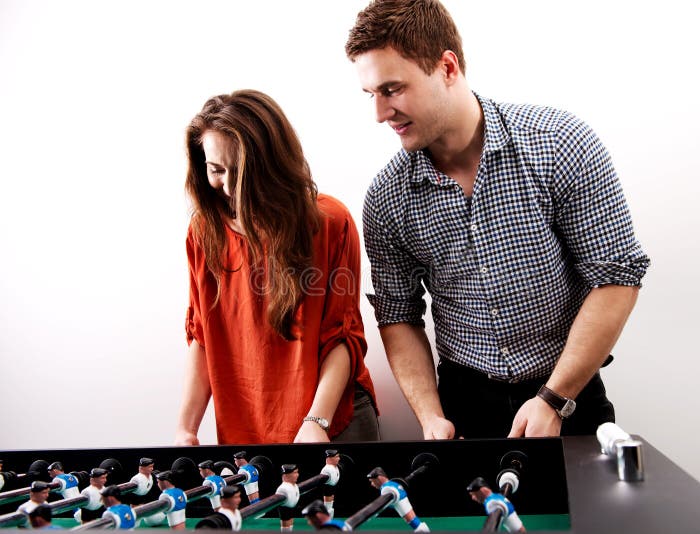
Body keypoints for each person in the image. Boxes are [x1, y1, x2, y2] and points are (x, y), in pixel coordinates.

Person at [345, 0, 650, 439]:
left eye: (392, 89)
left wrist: (554, 398)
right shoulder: (387, 197)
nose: (379, 113)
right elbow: (399, 315)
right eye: (370, 94)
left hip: (570, 393)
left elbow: (616, 276)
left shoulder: (559, 143)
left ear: (447, 67)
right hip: (465, 406)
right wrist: (431, 417)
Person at [175, 89, 379, 445]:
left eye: (242, 172)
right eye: (217, 170)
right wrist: (185, 429)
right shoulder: (203, 233)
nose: (230, 187)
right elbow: (203, 336)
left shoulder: (329, 223)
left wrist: (317, 421)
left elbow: (343, 337)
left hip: (332, 422)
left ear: (273, 165)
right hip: (248, 429)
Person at [366, 467, 429, 532]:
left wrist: (371, 513)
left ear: (379, 478)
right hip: (402, 498)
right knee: (415, 523)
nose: (372, 484)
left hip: (400, 500)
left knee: (415, 523)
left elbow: (382, 504)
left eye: (372, 481)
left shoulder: (386, 489)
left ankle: (422, 530)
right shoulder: (392, 484)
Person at [275, 464, 300, 532]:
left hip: (291, 506)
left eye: (297, 472)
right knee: (286, 521)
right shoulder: (283, 489)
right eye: (295, 473)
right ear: (285, 475)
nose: (297, 475)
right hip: (285, 507)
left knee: (290, 520)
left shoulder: (294, 486)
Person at [319, 449, 341, 516]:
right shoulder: (327, 470)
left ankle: (329, 515)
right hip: (328, 489)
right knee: (328, 507)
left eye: (338, 456)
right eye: (336, 457)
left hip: (331, 489)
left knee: (330, 504)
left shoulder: (335, 467)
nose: (339, 459)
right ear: (329, 458)